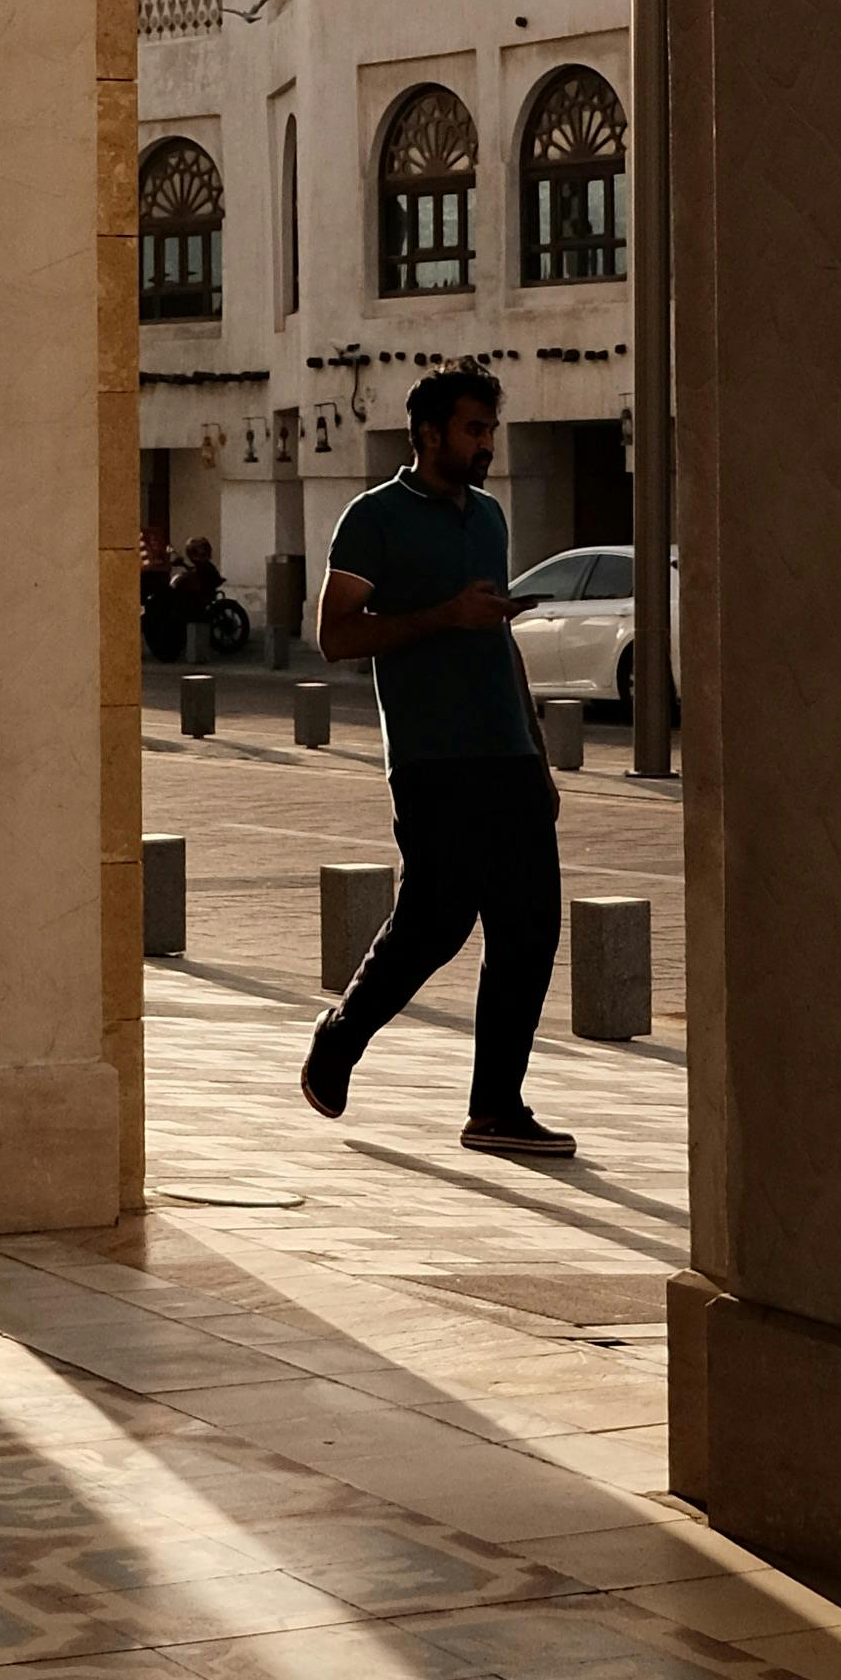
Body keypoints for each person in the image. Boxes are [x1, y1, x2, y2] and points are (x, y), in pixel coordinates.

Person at [303, 361, 574, 1159]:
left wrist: (538, 755)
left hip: (508, 754)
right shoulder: (372, 517)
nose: (486, 445)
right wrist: (444, 617)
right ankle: (340, 1036)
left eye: (491, 429)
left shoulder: (489, 517)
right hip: (432, 758)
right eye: (473, 430)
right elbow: (336, 635)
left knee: (531, 927)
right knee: (435, 923)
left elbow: (498, 639)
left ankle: (496, 1108)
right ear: (428, 434)